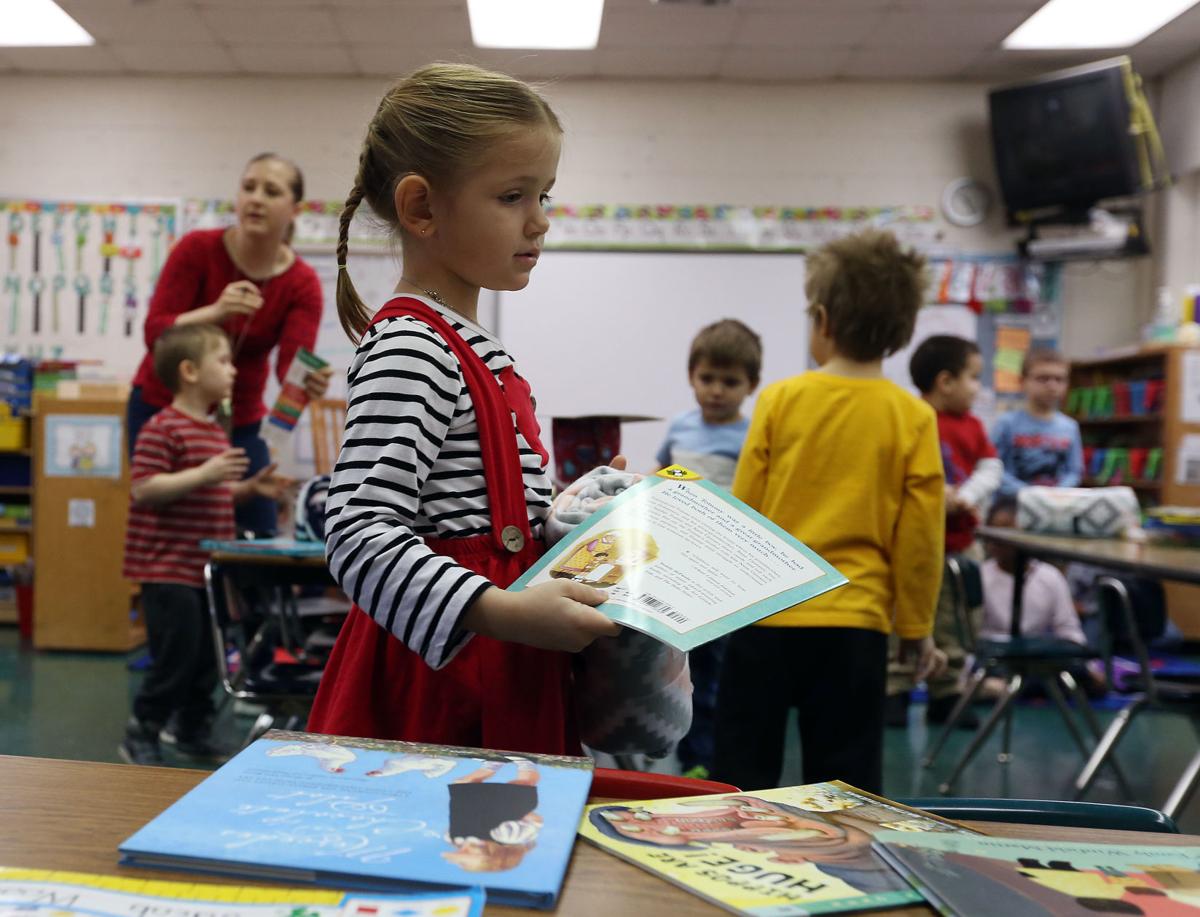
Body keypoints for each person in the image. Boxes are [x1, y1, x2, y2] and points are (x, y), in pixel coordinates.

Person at [306, 63, 685, 756]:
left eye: (544, 194)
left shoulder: (477, 347)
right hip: (441, 683)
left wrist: (572, 511)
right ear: (421, 208)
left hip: (503, 661)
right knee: (453, 847)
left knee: (502, 847)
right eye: (513, 195)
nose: (540, 219)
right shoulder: (411, 345)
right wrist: (505, 611)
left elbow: (478, 512)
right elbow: (358, 532)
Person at [711, 229, 946, 795]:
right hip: (854, 625)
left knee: (741, 774)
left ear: (822, 319)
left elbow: (741, 514)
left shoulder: (779, 400)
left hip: (763, 615)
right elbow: (919, 537)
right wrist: (916, 629)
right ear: (902, 332)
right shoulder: (911, 417)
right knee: (845, 784)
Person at [126, 152, 333, 536]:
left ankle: (247, 599)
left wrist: (310, 382)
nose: (255, 198)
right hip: (163, 406)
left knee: (258, 528)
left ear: (294, 210)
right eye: (248, 187)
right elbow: (156, 333)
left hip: (239, 421)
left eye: (271, 191)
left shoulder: (301, 283)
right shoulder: (196, 249)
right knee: (169, 527)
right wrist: (216, 311)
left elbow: (292, 370)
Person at [120, 324, 293, 766]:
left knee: (205, 661)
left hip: (203, 570)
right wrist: (205, 473)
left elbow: (216, 493)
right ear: (190, 371)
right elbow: (144, 488)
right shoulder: (163, 427)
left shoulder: (215, 430)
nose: (233, 370)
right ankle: (142, 728)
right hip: (167, 569)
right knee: (176, 656)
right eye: (222, 361)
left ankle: (191, 729)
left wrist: (253, 488)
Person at [656, 318, 761, 779]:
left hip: (728, 568)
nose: (716, 390)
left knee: (720, 668)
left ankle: (711, 758)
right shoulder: (681, 427)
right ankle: (692, 754)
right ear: (691, 377)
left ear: (751, 385)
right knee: (685, 664)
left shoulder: (752, 436)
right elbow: (662, 474)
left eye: (730, 381)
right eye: (707, 379)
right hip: (680, 563)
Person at [886, 335, 1002, 729]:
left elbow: (991, 468)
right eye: (973, 377)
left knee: (954, 622)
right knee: (903, 618)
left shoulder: (972, 426)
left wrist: (965, 495)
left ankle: (947, 691)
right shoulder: (910, 418)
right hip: (913, 545)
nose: (978, 388)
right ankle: (895, 689)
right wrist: (938, 496)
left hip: (959, 545)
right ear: (946, 381)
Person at [992, 348, 1082, 497]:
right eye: (1043, 378)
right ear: (1022, 381)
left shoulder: (1070, 427)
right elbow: (992, 470)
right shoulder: (1006, 423)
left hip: (1056, 506)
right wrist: (1029, 493)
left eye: (1059, 379)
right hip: (1012, 507)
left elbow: (1074, 472)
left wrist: (1056, 493)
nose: (1052, 386)